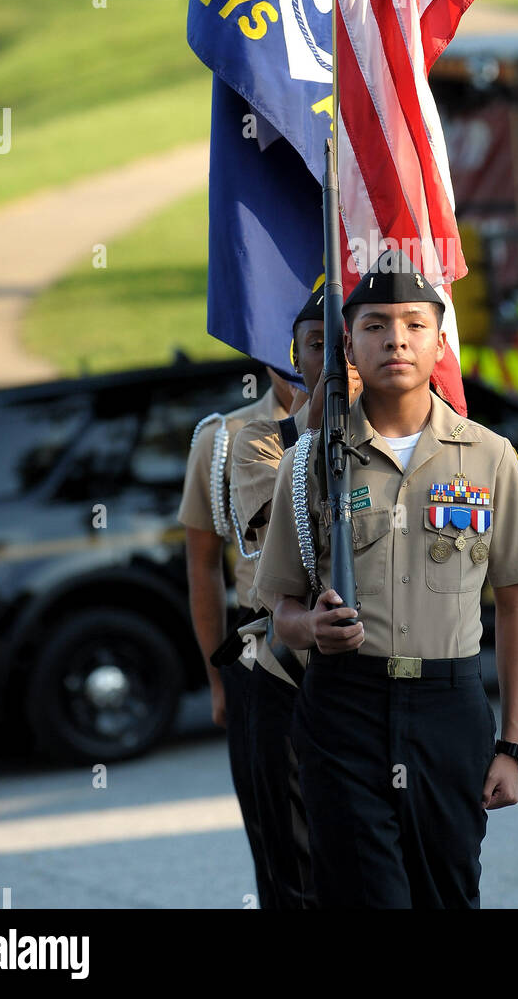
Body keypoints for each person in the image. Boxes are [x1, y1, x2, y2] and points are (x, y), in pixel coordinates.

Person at [254, 249, 518, 909]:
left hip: (450, 710)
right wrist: (312, 629)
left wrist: (511, 744)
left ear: (440, 340)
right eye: (376, 325)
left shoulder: (489, 456)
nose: (397, 339)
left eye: (415, 324)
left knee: (448, 893)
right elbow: (280, 607)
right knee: (368, 896)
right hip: (344, 710)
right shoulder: (311, 463)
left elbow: (512, 606)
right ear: (350, 348)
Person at [228, 288, 360, 909]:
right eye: (317, 347)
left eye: (344, 345)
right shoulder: (257, 439)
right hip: (289, 666)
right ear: (291, 360)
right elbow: (277, 515)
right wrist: (318, 422)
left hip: (375, 664)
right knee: (297, 864)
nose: (336, 359)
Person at [179, 357, 296, 908]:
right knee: (280, 844)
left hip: (361, 648)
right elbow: (203, 565)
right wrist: (218, 678)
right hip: (263, 652)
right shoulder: (223, 439)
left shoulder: (381, 426)